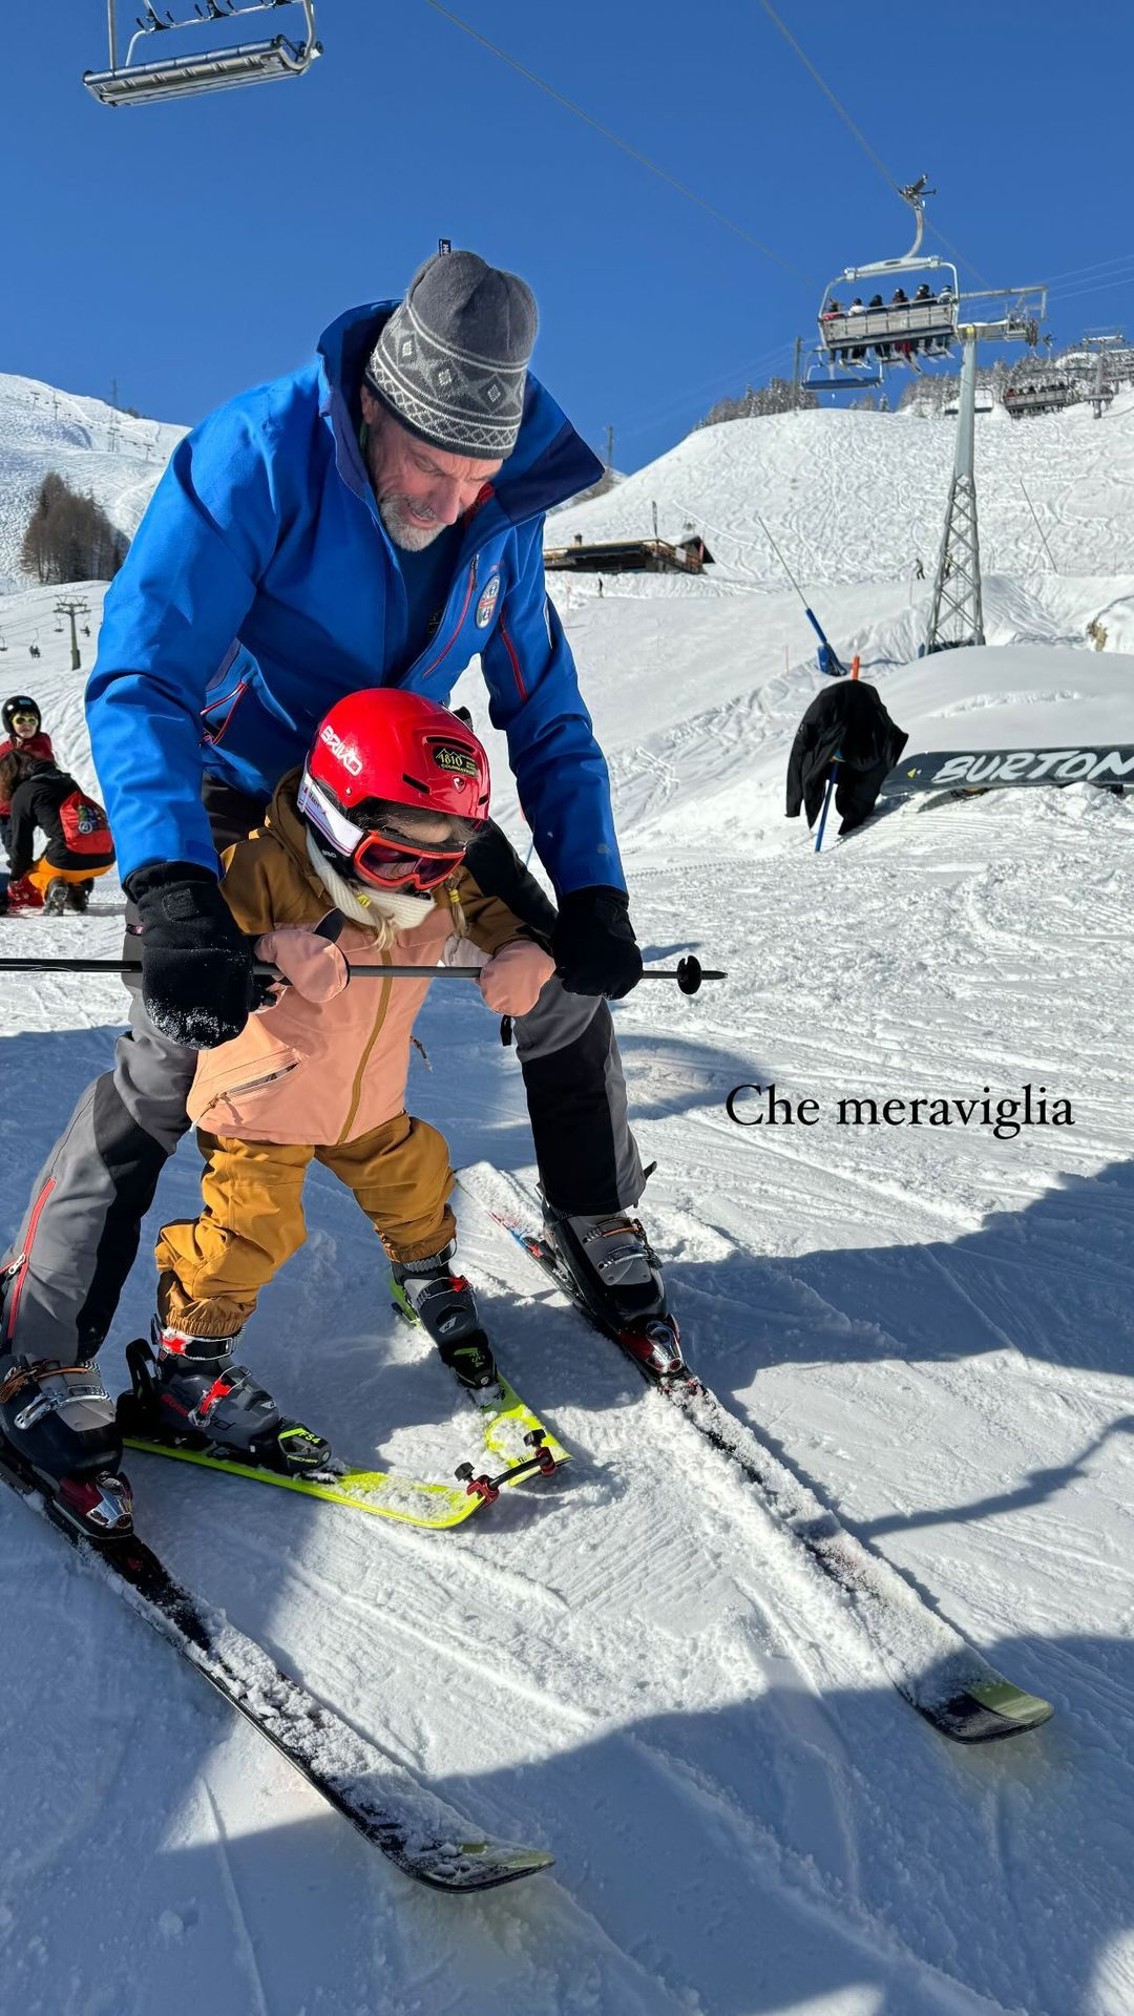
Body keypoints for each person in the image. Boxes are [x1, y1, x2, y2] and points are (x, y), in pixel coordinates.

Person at [0, 247, 666, 1516]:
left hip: (395, 797)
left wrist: (592, 894)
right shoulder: (255, 459)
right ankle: (37, 1343)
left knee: (569, 983)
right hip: (236, 786)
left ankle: (596, 1213)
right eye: (429, 464)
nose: (452, 496)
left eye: (479, 473)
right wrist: (174, 892)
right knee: (168, 1053)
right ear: (373, 407)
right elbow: (141, 678)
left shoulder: (497, 514)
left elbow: (550, 720)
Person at [118, 691, 554, 1487]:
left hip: (369, 1097)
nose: (420, 876)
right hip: (265, 1101)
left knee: (417, 1177)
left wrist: (520, 946)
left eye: (445, 857)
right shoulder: (267, 865)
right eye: (396, 858)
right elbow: (192, 941)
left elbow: (485, 905)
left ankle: (423, 1271)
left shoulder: (433, 880)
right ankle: (188, 1369)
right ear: (332, 811)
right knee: (253, 1228)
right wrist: (262, 947)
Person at [0, 751, 115, 916]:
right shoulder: (67, 781)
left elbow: (21, 848)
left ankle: (52, 886)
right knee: (57, 856)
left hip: (69, 861)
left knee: (32, 871)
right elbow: (73, 826)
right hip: (107, 857)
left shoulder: (23, 793)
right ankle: (76, 891)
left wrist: (17, 877)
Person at [0, 696, 53, 859]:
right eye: (20, 720)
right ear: (10, 723)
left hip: (38, 802)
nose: (27, 725)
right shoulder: (4, 750)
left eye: (32, 720)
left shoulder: (41, 743)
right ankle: (22, 868)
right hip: (9, 808)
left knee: (62, 831)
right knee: (14, 843)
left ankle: (56, 865)